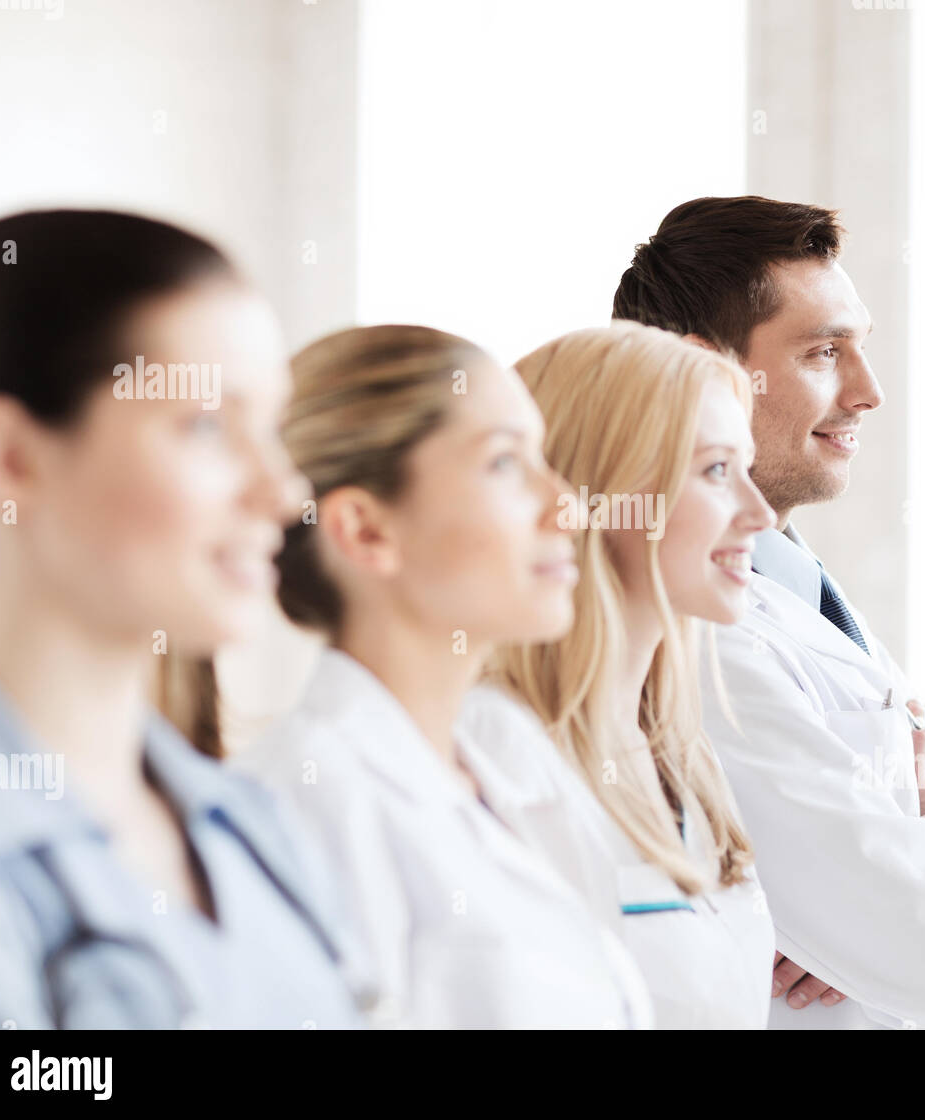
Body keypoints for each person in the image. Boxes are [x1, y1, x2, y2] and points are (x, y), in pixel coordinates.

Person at [613, 196, 925, 1030]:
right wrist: (918, 873)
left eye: (861, 348)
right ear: (704, 371)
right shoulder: (694, 632)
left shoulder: (794, 585)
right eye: (823, 352)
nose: (870, 391)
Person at [0, 209, 364, 1029]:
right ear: (10, 459)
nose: (283, 493)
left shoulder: (251, 831)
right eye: (208, 426)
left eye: (274, 432)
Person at [236, 324, 653, 1029]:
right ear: (366, 531)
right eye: (503, 464)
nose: (568, 507)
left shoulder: (500, 761)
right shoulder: (309, 800)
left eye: (542, 459)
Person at [458, 322, 778, 1029]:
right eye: (717, 470)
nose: (759, 515)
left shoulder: (678, 755)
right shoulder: (491, 747)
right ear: (597, 491)